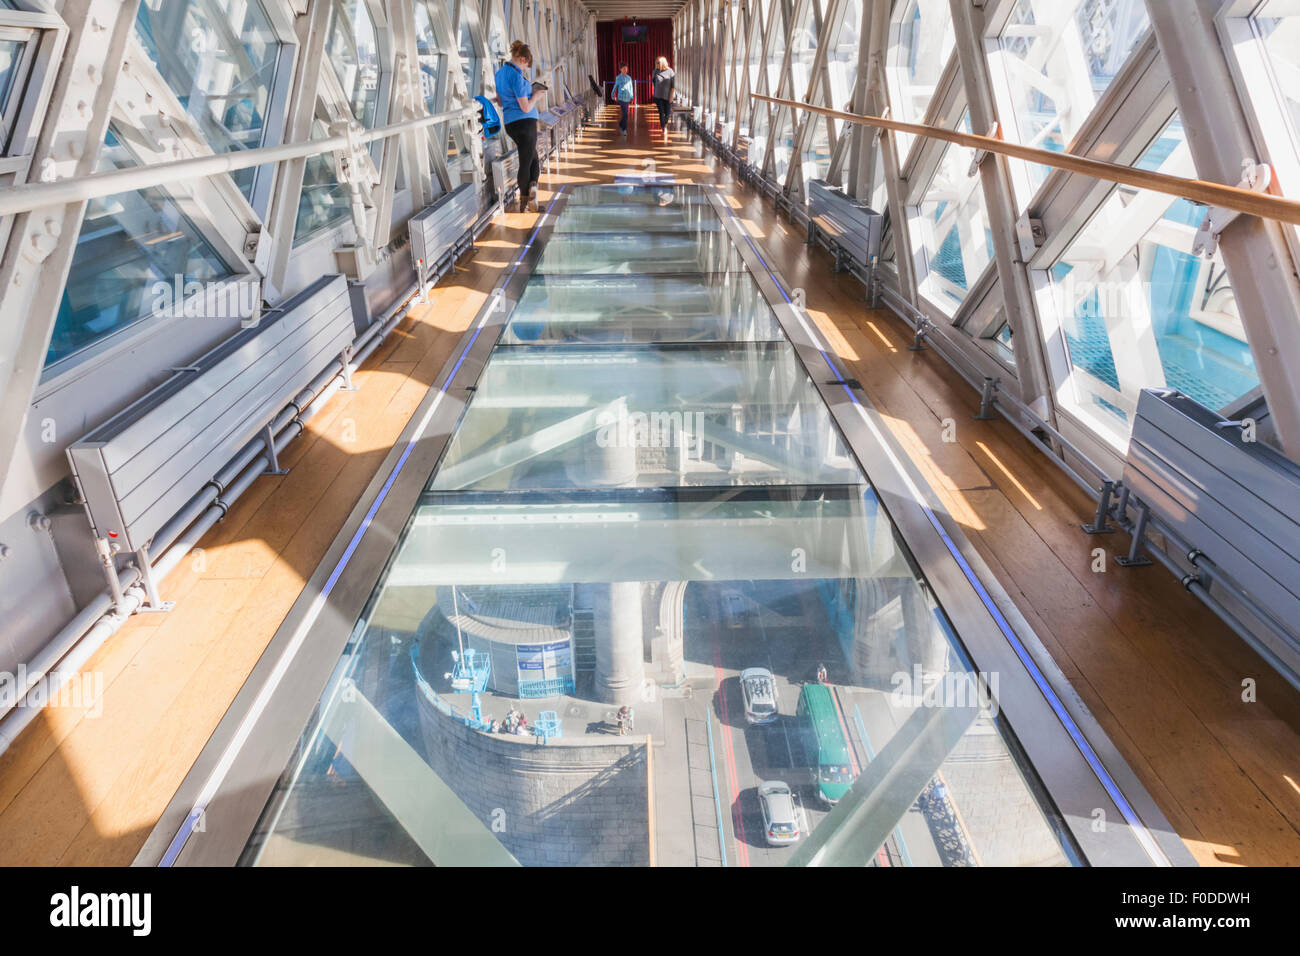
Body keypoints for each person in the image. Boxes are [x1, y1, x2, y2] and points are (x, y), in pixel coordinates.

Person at [494, 41, 546, 212]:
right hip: (525, 123)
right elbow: (525, 107)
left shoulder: (500, 73)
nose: (526, 68)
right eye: (526, 64)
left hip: (510, 123)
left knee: (532, 158)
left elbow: (501, 101)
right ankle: (526, 202)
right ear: (522, 59)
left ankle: (531, 195)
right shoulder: (516, 76)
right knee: (527, 162)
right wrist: (536, 96)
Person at [650, 57, 675, 138]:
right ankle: (663, 128)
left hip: (667, 96)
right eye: (656, 63)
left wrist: (671, 96)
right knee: (661, 112)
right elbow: (653, 82)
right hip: (658, 96)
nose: (656, 64)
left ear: (663, 63)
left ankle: (665, 124)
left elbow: (673, 86)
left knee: (667, 113)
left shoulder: (670, 71)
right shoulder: (655, 71)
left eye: (658, 63)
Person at [612, 63, 634, 137]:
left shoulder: (629, 78)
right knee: (625, 114)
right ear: (620, 69)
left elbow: (631, 87)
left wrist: (632, 96)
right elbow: (615, 87)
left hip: (627, 98)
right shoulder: (618, 78)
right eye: (624, 68)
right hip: (621, 98)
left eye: (626, 68)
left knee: (626, 114)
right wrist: (613, 95)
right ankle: (624, 129)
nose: (625, 70)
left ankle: (621, 124)